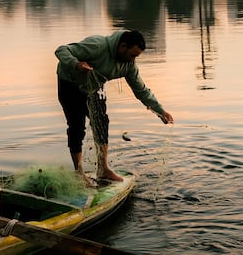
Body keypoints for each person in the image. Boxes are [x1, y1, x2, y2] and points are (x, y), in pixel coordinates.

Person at [55, 29, 174, 183]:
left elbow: (141, 90)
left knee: (102, 123)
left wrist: (161, 112)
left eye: (136, 57)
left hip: (94, 86)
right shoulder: (97, 45)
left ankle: (103, 169)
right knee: (77, 126)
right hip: (70, 83)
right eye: (132, 55)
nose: (133, 60)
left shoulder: (129, 65)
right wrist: (76, 64)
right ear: (123, 46)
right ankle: (79, 174)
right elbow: (61, 50)